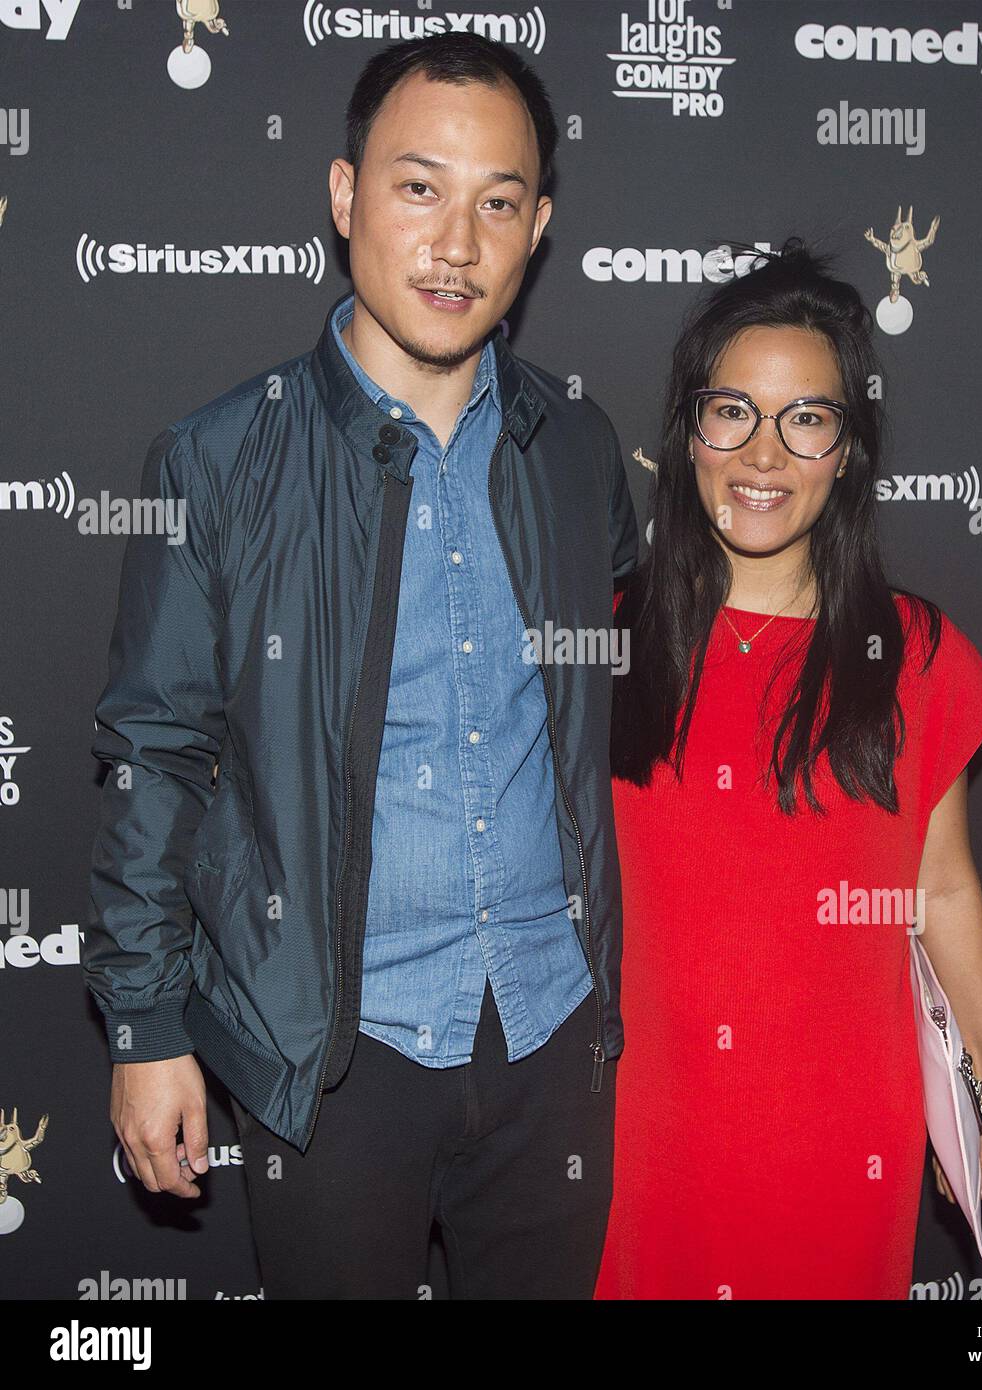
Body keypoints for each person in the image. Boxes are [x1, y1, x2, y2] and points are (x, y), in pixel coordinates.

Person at [84, 33, 638, 1300]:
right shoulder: (219, 461)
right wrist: (146, 1026)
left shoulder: (576, 448)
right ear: (344, 197)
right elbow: (153, 756)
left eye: (499, 201)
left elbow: (604, 696)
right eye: (418, 186)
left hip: (550, 1036)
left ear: (538, 225)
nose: (457, 241)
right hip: (333, 1057)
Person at [594, 239, 982, 1300]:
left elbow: (943, 884)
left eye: (807, 418)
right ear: (689, 434)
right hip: (638, 1140)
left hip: (841, 1145)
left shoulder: (919, 656)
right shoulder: (606, 642)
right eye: (732, 410)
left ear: (847, 450)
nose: (763, 454)